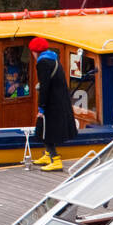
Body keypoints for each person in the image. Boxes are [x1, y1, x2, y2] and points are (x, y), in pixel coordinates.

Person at [29, 37, 75, 171]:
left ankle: (55, 160)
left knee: (46, 129)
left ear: (35, 51)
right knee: (46, 128)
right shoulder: (53, 58)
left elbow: (45, 87)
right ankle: (48, 154)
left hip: (52, 102)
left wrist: (41, 107)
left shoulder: (42, 62)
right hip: (60, 99)